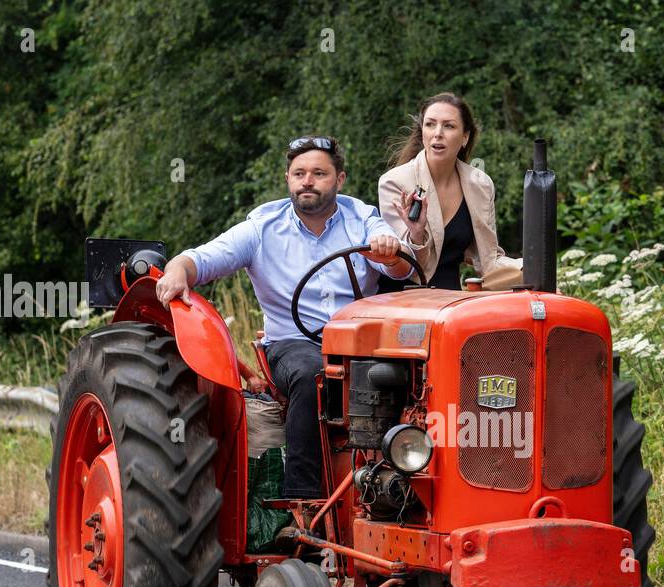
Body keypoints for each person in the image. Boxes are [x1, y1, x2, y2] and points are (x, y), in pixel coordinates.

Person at [155, 135, 413, 500]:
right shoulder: (262, 227)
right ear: (288, 179)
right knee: (312, 375)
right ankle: (303, 498)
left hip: (360, 344)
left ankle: (403, 480)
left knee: (415, 375)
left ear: (339, 180)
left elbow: (400, 266)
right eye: (299, 173)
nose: (307, 181)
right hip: (291, 344)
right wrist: (180, 267)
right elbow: (206, 257)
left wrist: (390, 251)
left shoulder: (362, 217)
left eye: (319, 173)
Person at [378, 92, 521, 291]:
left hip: (451, 298)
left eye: (449, 126)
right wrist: (417, 235)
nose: (438, 133)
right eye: (430, 124)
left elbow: (489, 258)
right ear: (422, 133)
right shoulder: (395, 182)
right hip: (403, 294)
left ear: (465, 137)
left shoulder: (481, 184)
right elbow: (404, 264)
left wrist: (532, 272)